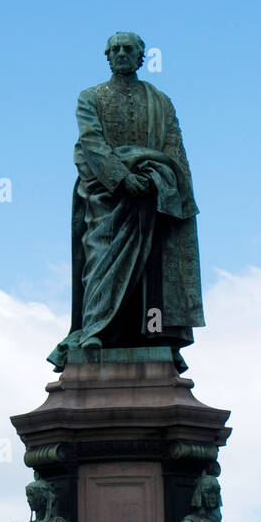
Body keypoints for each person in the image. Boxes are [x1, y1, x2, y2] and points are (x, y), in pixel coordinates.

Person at [47, 31, 204, 370]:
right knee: (100, 261)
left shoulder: (160, 100)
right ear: (107, 56)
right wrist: (122, 178)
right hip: (106, 196)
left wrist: (155, 178)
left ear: (140, 57)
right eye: (114, 49)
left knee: (151, 271)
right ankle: (96, 330)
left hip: (151, 194)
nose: (120, 53)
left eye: (128, 49)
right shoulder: (90, 97)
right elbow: (91, 142)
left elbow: (173, 145)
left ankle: (153, 336)